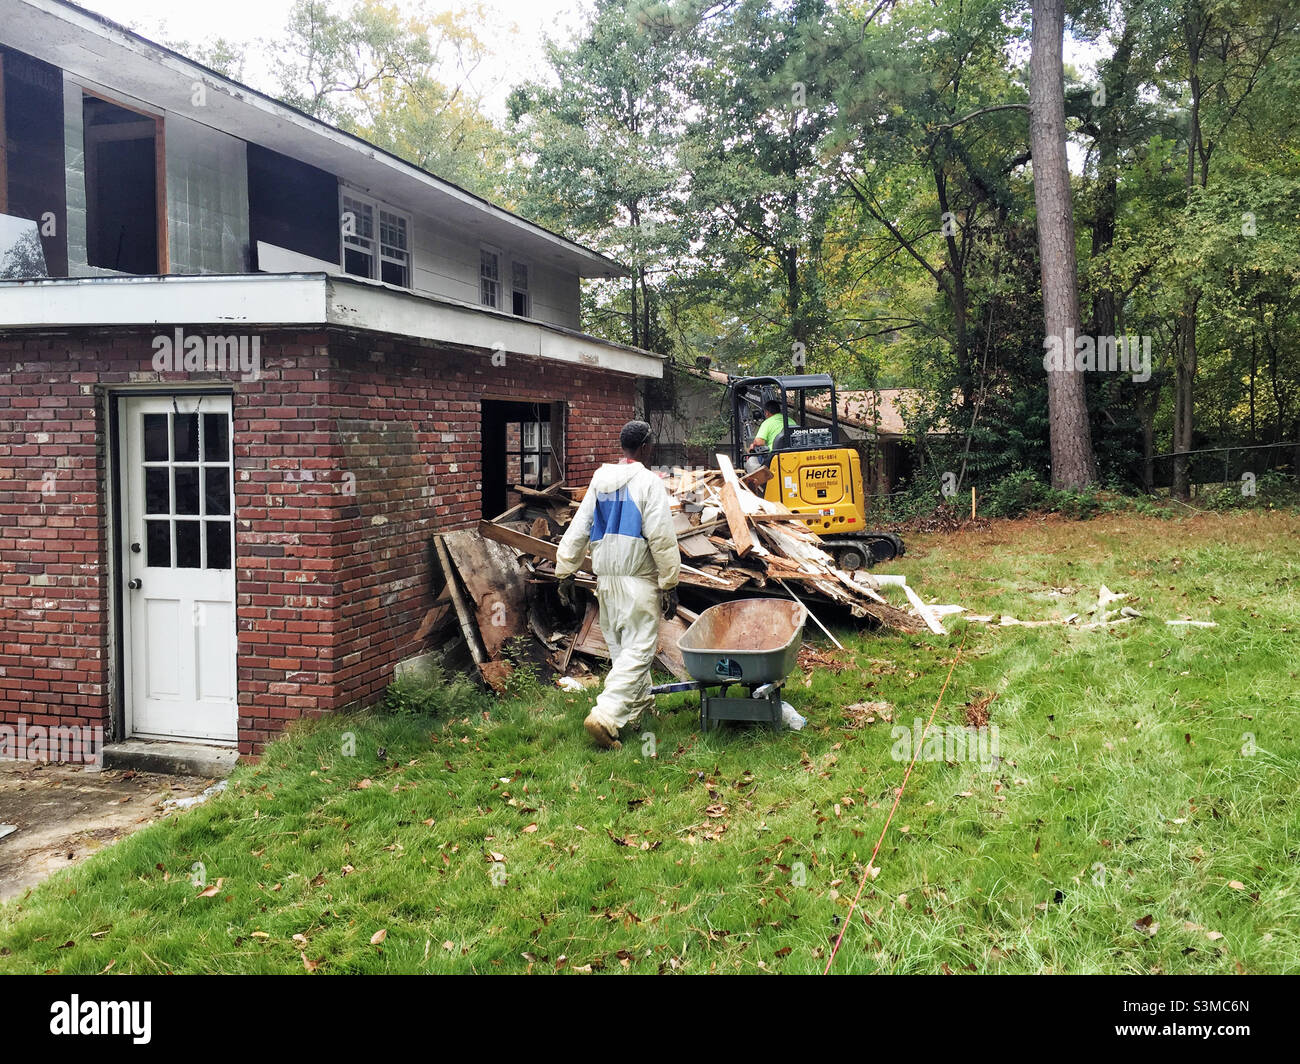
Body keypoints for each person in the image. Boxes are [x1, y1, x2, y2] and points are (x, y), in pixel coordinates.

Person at [555, 420, 681, 749]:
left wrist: (565, 570)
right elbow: (662, 540)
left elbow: (579, 527)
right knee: (639, 650)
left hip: (606, 581)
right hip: (638, 579)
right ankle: (607, 713)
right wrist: (670, 582)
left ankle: (639, 707)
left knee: (622, 650)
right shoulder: (649, 483)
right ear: (646, 447)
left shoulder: (600, 480)